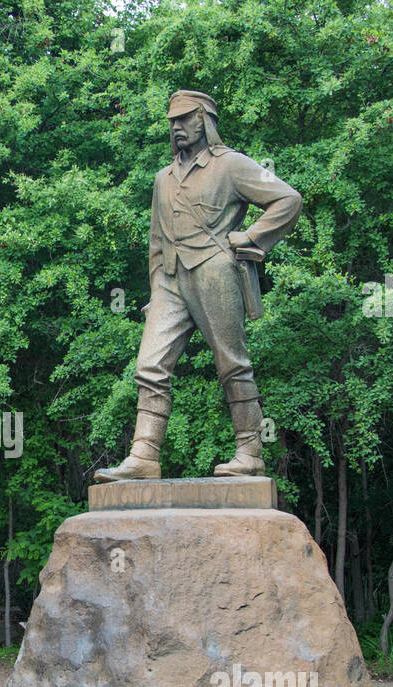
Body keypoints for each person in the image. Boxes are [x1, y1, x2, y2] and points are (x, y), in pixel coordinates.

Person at [95, 89, 301, 482]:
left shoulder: (232, 166)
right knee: (149, 365)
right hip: (171, 281)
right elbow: (156, 243)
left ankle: (250, 453)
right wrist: (156, 290)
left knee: (232, 364)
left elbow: (288, 200)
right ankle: (144, 456)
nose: (176, 127)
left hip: (215, 273)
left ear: (204, 120)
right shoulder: (162, 178)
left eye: (185, 119)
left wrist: (252, 238)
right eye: (172, 121)